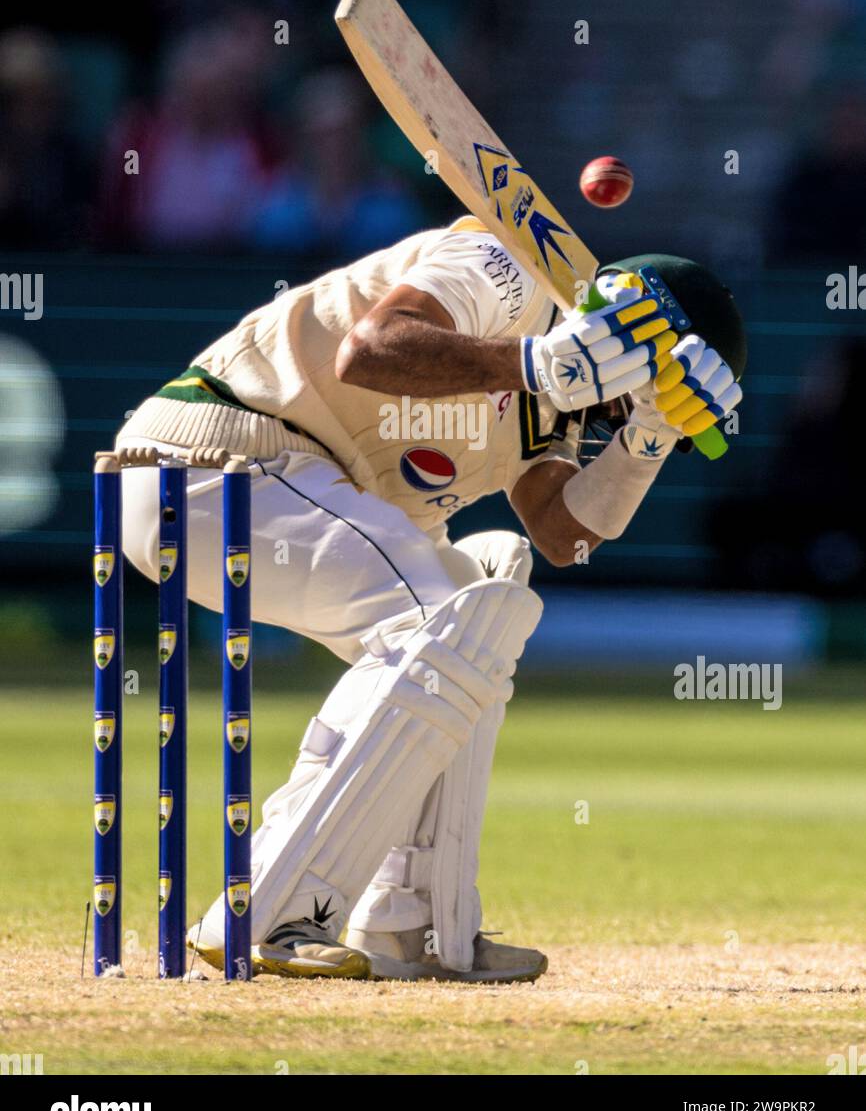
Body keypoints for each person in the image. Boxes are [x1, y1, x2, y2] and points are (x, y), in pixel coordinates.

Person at [114, 220, 745, 983]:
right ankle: (265, 905)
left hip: (280, 493)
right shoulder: (500, 261)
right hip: (215, 459)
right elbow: (372, 347)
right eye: (627, 404)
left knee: (485, 600)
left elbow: (559, 534)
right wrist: (535, 362)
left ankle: (411, 925)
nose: (605, 422)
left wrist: (645, 438)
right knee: (444, 620)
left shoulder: (562, 402)